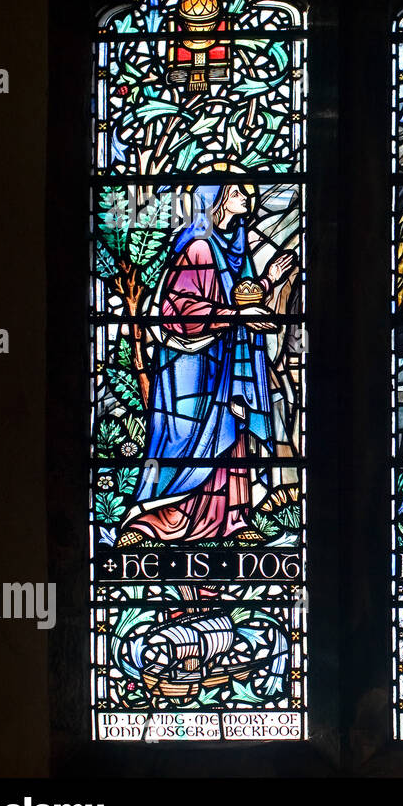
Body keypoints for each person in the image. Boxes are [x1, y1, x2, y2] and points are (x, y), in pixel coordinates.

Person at [116, 179, 295, 547]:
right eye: (240, 192)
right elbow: (178, 310)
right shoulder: (198, 247)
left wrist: (270, 280)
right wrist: (236, 316)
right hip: (191, 363)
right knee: (190, 440)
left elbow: (240, 298)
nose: (250, 197)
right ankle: (157, 518)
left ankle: (232, 518)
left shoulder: (235, 247)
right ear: (219, 201)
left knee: (231, 433)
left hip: (227, 359)